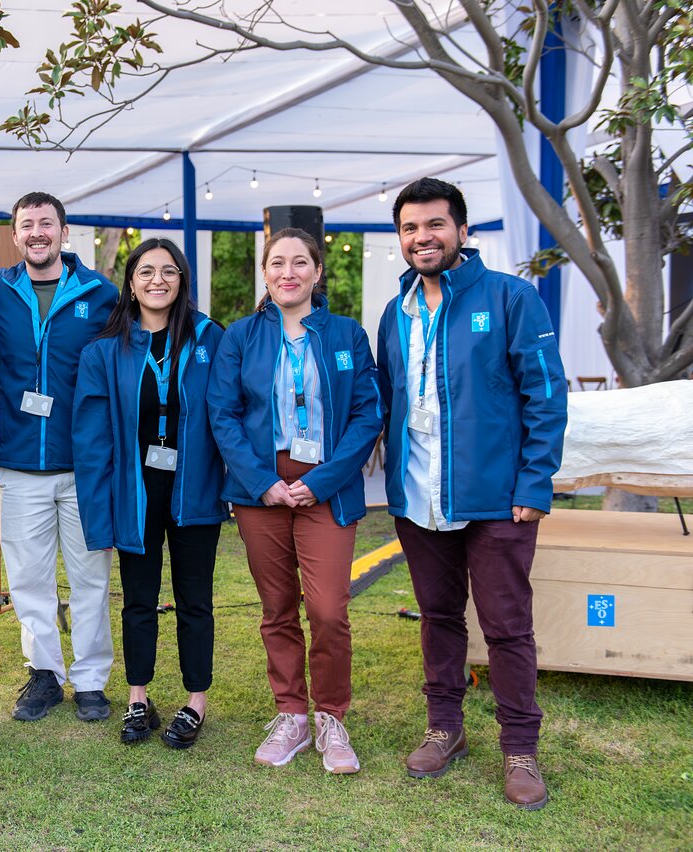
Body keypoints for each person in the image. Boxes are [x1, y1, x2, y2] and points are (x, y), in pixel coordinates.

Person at [376, 178, 566, 809]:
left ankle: (521, 750)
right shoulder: (395, 312)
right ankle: (446, 729)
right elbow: (390, 399)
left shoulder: (510, 297)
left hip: (497, 498)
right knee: (438, 617)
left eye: (434, 224)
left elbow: (545, 395)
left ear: (462, 230)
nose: (422, 238)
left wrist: (534, 481)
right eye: (409, 228)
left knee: (507, 627)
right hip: (419, 496)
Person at [208, 227, 380, 774]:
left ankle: (331, 716)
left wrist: (325, 480)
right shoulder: (240, 336)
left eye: (300, 262)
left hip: (326, 485)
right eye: (277, 262)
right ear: (264, 273)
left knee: (328, 609)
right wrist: (261, 481)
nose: (289, 272)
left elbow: (368, 413)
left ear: (317, 271)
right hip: (261, 487)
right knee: (277, 607)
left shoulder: (347, 334)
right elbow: (223, 415)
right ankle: (292, 715)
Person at [73, 238, 225, 748]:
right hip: (134, 492)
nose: (157, 280)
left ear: (182, 280)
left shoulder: (209, 338)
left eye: (168, 271)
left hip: (194, 489)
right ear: (131, 284)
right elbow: (92, 442)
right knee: (138, 598)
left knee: (194, 599)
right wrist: (99, 515)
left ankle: (195, 701)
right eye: (146, 272)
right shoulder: (105, 351)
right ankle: (138, 697)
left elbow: (229, 415)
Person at [0, 192, 119, 722]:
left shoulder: (100, 293)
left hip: (85, 465)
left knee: (90, 579)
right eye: (27, 225)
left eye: (47, 223)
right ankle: (44, 674)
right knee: (28, 580)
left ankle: (90, 680)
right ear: (15, 235)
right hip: (20, 462)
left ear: (65, 232)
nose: (37, 233)